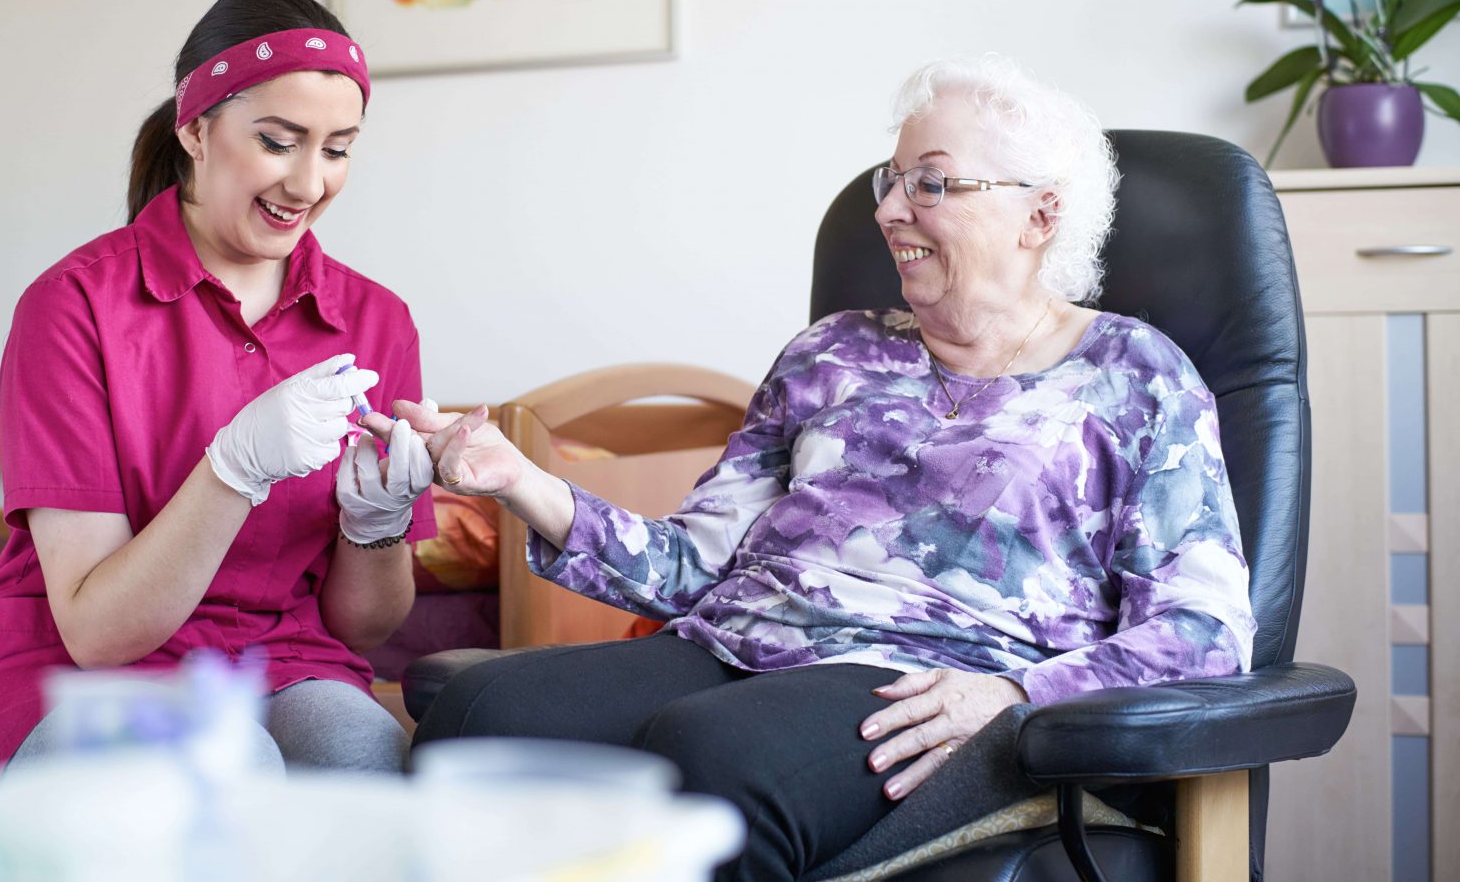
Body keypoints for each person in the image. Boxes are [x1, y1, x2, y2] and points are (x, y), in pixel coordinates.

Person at [406, 56, 1257, 880]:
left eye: (930, 182)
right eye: (887, 182)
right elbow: (689, 566)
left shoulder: (1134, 374)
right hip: (737, 642)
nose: (888, 210)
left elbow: (1204, 631)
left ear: (1037, 217)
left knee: (717, 756)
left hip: (930, 683)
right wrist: (518, 479)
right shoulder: (831, 352)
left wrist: (1014, 692)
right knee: (480, 717)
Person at [0, 0, 435, 775]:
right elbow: (98, 632)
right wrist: (231, 470)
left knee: (363, 755)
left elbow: (363, 628)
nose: (307, 184)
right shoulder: (75, 306)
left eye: (335, 150)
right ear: (195, 128)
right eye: (277, 141)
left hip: (277, 660)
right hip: (72, 667)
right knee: (221, 766)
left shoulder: (376, 321)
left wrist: (378, 524)